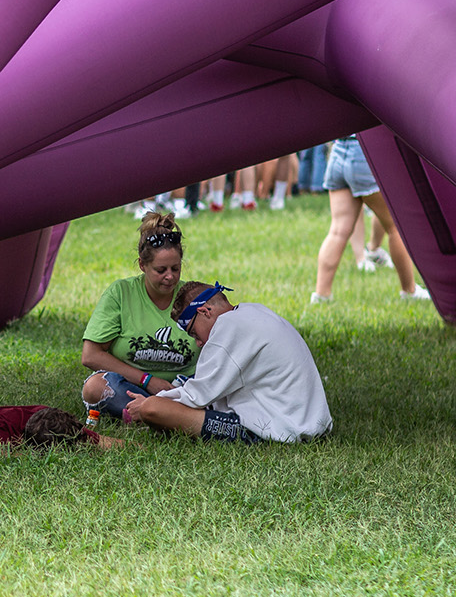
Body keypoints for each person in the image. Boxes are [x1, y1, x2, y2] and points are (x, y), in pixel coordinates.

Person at [124, 281, 332, 444]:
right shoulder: (254, 310)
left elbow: (197, 397)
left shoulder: (226, 327)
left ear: (205, 312)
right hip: (307, 423)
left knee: (154, 409)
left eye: (194, 333)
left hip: (279, 429)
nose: (198, 343)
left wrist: (146, 404)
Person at [79, 212, 202, 420]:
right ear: (142, 265)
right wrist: (147, 380)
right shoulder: (120, 293)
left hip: (185, 390)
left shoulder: (194, 296)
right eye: (161, 270)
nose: (170, 276)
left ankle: (151, 413)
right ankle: (166, 415)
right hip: (132, 388)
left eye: (176, 268)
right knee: (95, 388)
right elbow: (90, 355)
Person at [311, 135, 431, 304]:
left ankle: (321, 295)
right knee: (395, 227)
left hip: (338, 152)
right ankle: (409, 291)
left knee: (337, 231)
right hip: (364, 153)